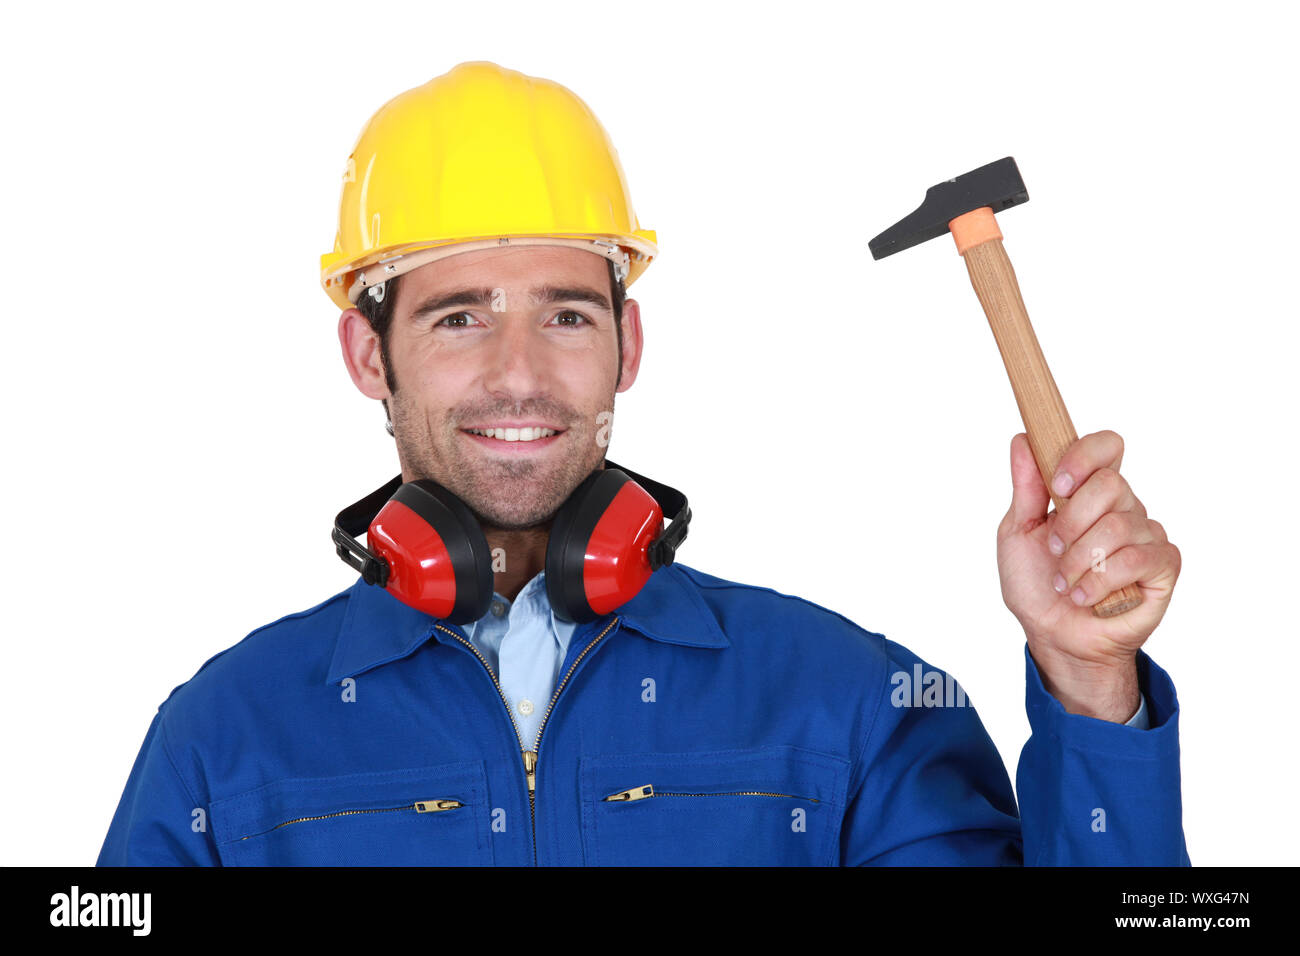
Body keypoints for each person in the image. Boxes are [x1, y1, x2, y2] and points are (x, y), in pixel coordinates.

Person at [97, 61, 1187, 866]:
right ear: (366, 353)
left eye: (567, 314)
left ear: (629, 345)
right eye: (459, 317)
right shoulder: (223, 736)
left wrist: (1089, 680)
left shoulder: (851, 710)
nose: (518, 372)